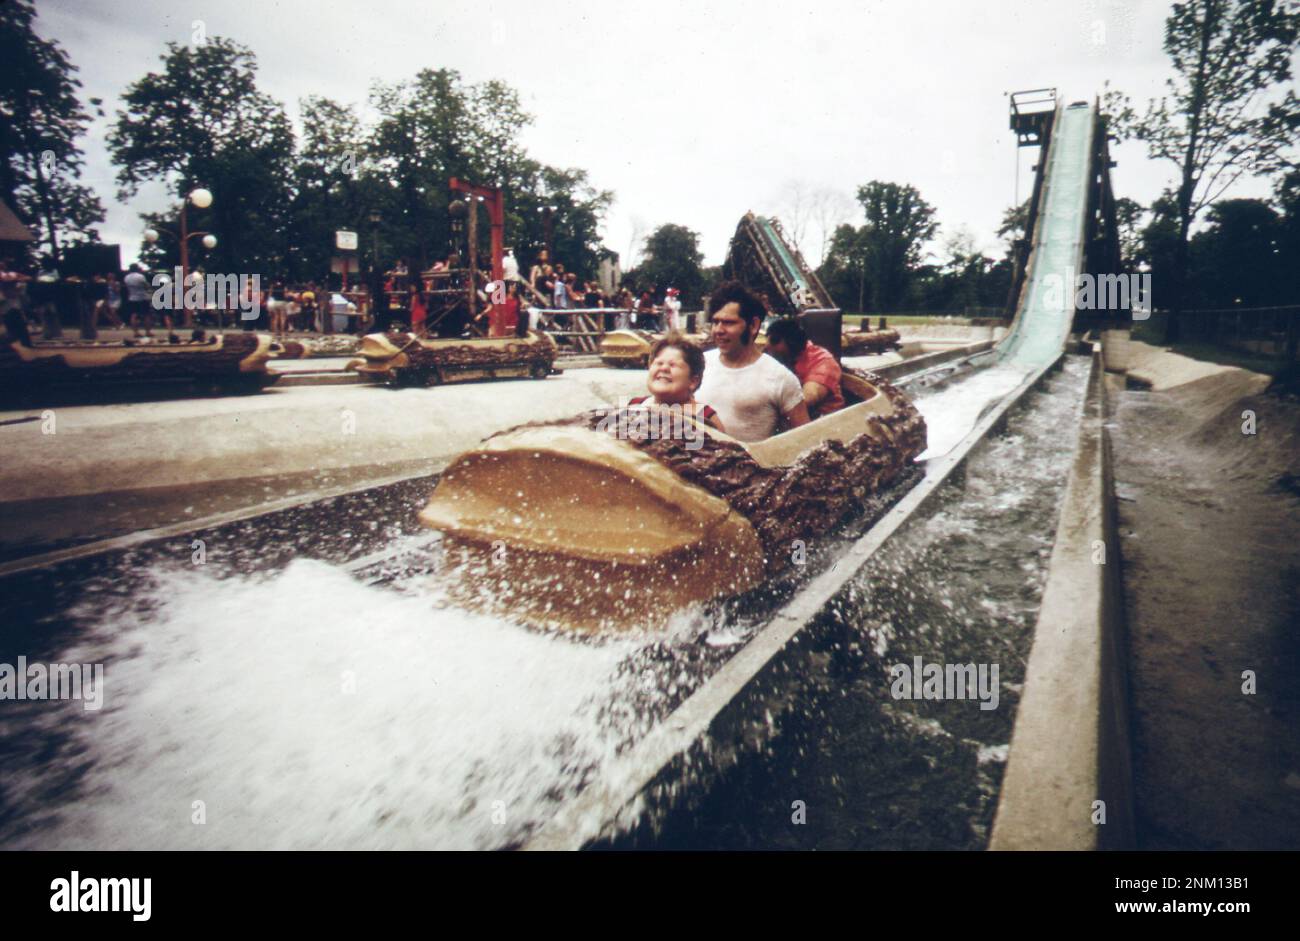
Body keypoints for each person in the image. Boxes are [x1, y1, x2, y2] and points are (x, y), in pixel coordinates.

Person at [696, 280, 810, 442]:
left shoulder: (780, 378)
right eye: (715, 322)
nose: (718, 330)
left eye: (729, 322)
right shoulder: (697, 364)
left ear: (753, 325)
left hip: (747, 464)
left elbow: (806, 439)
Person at [626, 334, 726, 433]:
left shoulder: (705, 416)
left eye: (673, 365)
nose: (664, 368)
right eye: (659, 363)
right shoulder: (635, 405)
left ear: (693, 381)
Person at [764, 318, 846, 418]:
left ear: (791, 342)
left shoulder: (823, 361)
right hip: (795, 416)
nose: (769, 350)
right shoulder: (783, 356)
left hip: (825, 420)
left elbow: (808, 398)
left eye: (774, 342)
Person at [122, 263, 151, 336]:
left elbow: (126, 287)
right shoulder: (140, 276)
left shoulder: (126, 277)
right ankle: (147, 332)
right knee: (146, 315)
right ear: (137, 268)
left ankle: (136, 332)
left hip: (132, 297)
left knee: (133, 315)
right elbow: (146, 286)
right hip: (143, 297)